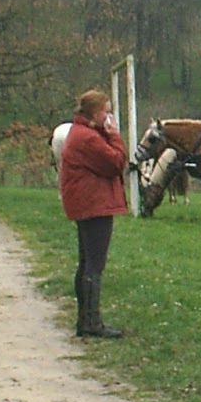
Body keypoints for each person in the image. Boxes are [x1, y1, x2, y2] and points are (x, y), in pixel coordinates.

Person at [59, 89, 128, 339]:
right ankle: (92, 322)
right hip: (94, 204)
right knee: (94, 264)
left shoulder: (80, 133)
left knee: (87, 262)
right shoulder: (89, 138)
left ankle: (85, 320)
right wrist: (114, 134)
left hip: (86, 203)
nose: (109, 116)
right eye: (106, 112)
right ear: (96, 113)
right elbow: (116, 162)